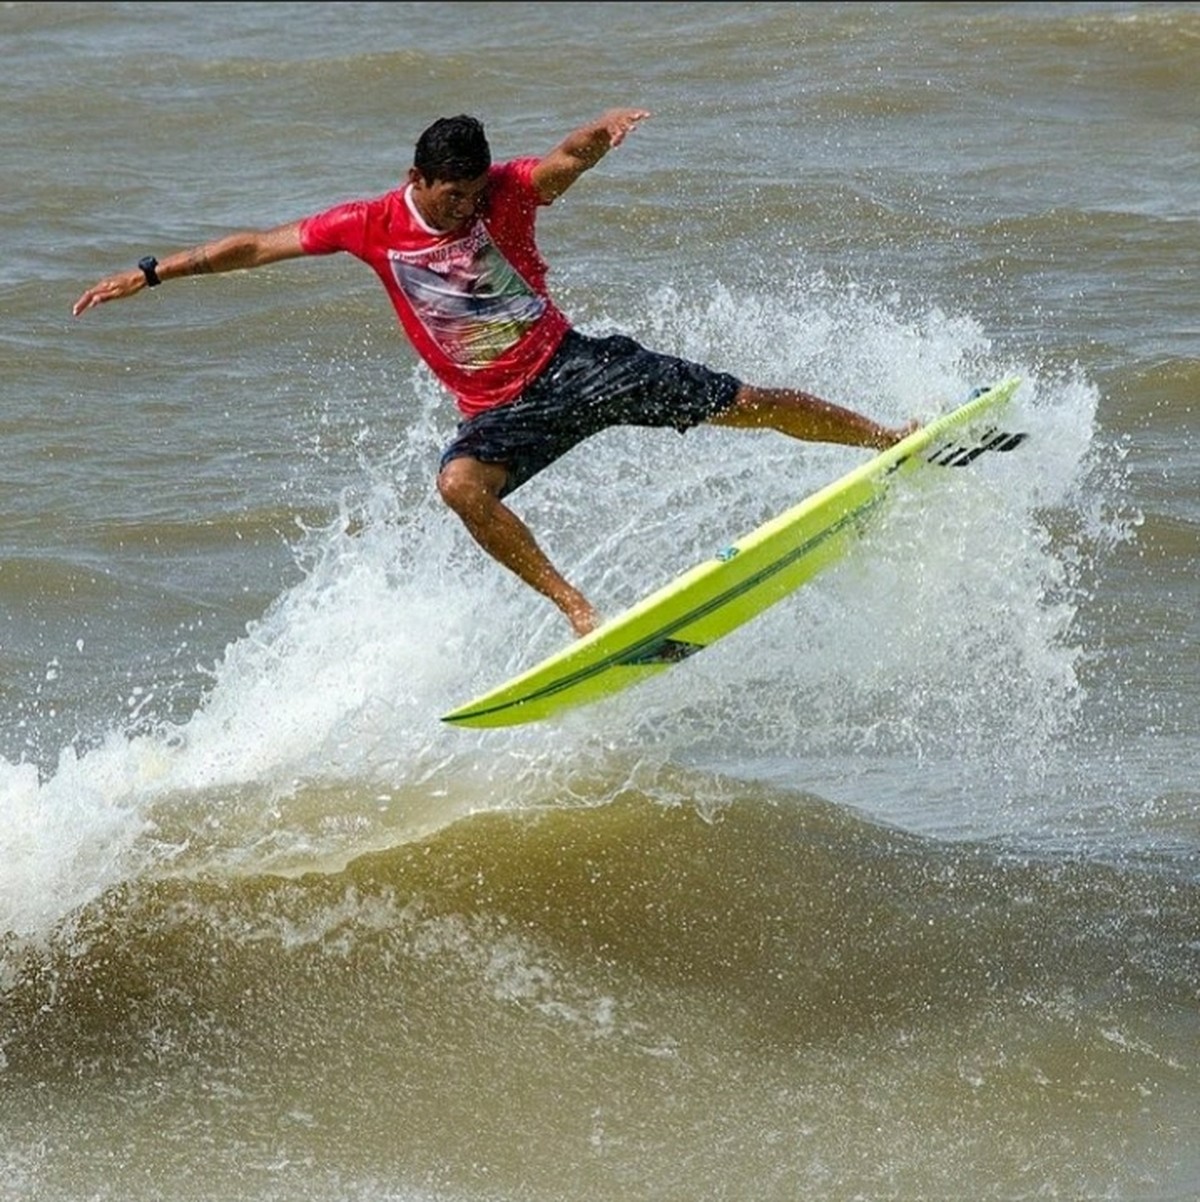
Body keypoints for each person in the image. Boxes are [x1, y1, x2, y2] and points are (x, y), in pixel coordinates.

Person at [73, 108, 915, 638]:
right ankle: (578, 611)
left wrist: (597, 139)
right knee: (459, 486)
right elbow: (256, 246)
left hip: (576, 366)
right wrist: (152, 273)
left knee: (746, 402)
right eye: (453, 196)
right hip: (503, 412)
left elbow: (559, 162)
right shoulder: (368, 225)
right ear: (417, 179)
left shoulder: (503, 190)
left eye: (476, 192)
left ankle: (888, 439)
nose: (468, 207)